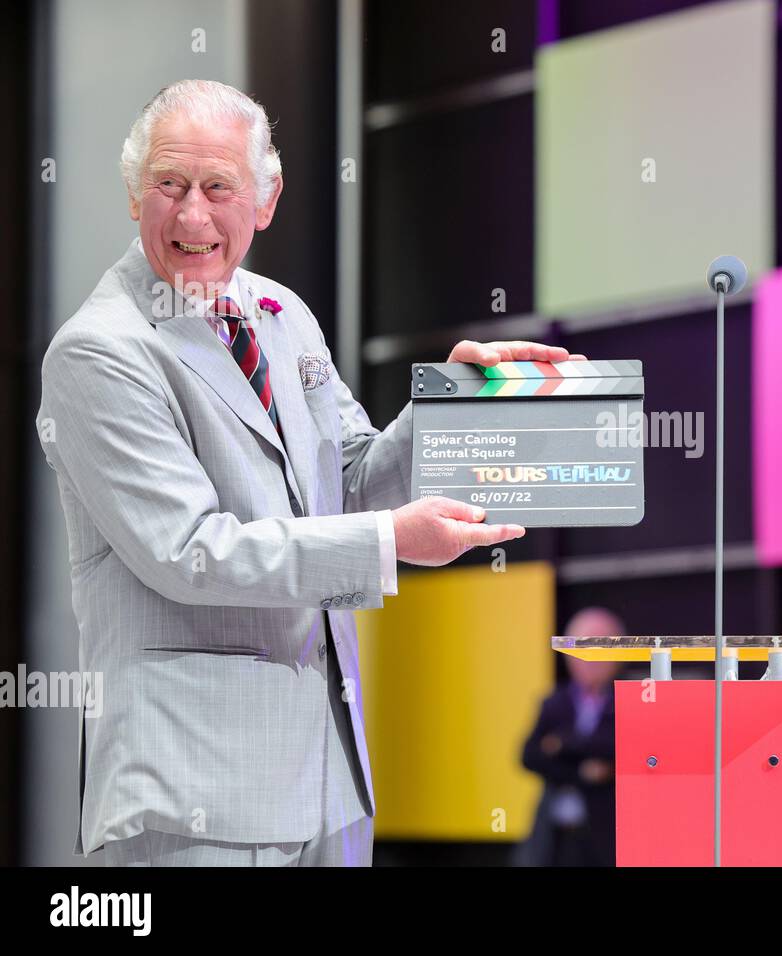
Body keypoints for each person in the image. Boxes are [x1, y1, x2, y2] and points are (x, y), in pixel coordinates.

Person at [35, 79, 581, 866]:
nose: (192, 216)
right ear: (132, 194)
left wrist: (450, 409)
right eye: (169, 186)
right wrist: (389, 544)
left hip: (329, 780)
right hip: (195, 794)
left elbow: (350, 480)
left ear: (266, 198)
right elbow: (190, 551)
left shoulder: (283, 317)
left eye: (219, 187)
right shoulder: (100, 351)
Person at [516, 608, 623, 867]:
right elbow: (529, 755)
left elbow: (623, 749)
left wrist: (563, 744)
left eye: (598, 650)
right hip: (554, 835)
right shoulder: (555, 701)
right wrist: (583, 772)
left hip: (606, 834)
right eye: (580, 649)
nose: (589, 659)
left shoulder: (628, 699)